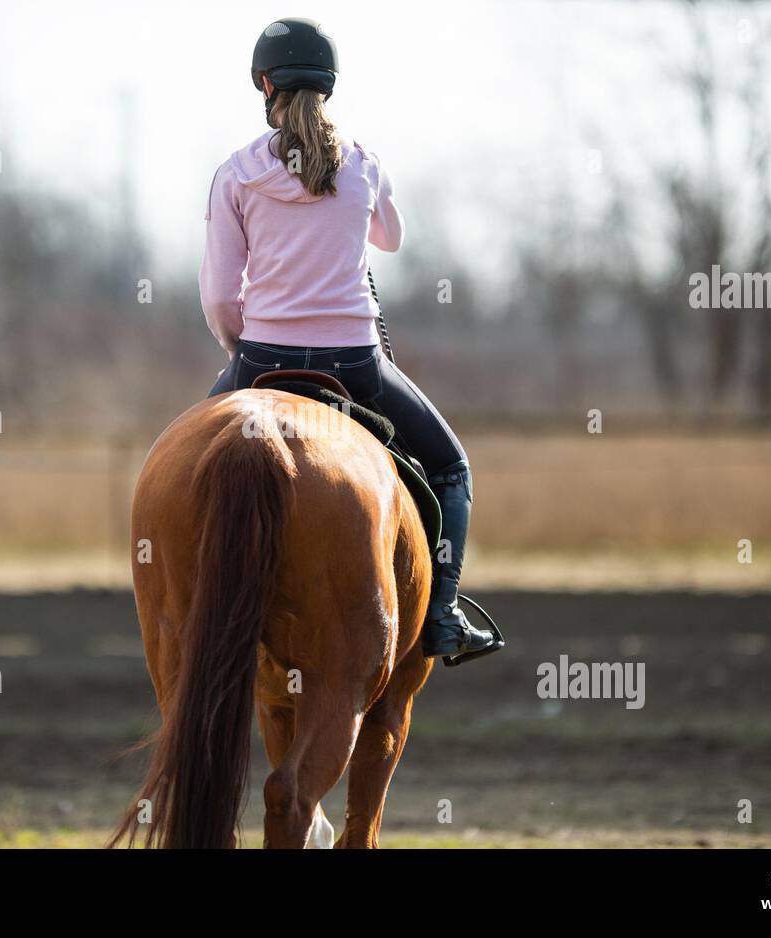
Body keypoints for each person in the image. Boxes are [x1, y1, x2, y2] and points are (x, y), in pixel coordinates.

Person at [200, 17, 501, 663]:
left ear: (263, 84)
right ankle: (443, 616)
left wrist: (241, 353)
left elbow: (222, 297)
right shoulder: (364, 165)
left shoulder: (235, 174)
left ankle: (188, 609)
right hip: (356, 364)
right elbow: (391, 239)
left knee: (188, 465)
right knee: (450, 467)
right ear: (329, 86)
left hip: (261, 360)